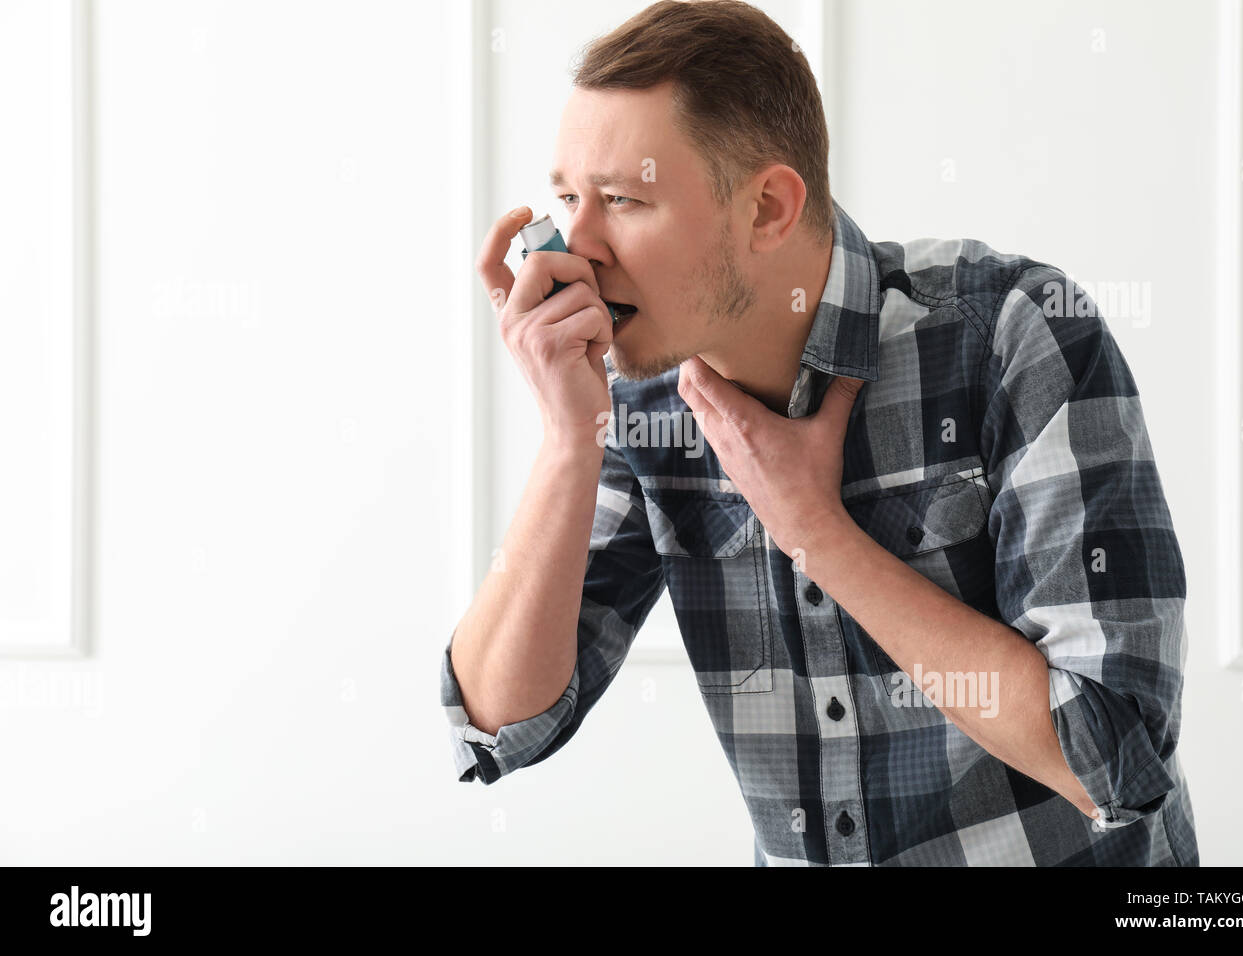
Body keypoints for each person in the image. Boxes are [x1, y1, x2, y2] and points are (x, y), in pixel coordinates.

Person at [441, 0, 1197, 866]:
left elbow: (1118, 760)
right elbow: (497, 728)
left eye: (622, 199)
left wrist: (817, 535)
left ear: (767, 209)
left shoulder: (1012, 334)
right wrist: (569, 440)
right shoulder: (640, 398)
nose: (576, 247)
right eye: (568, 198)